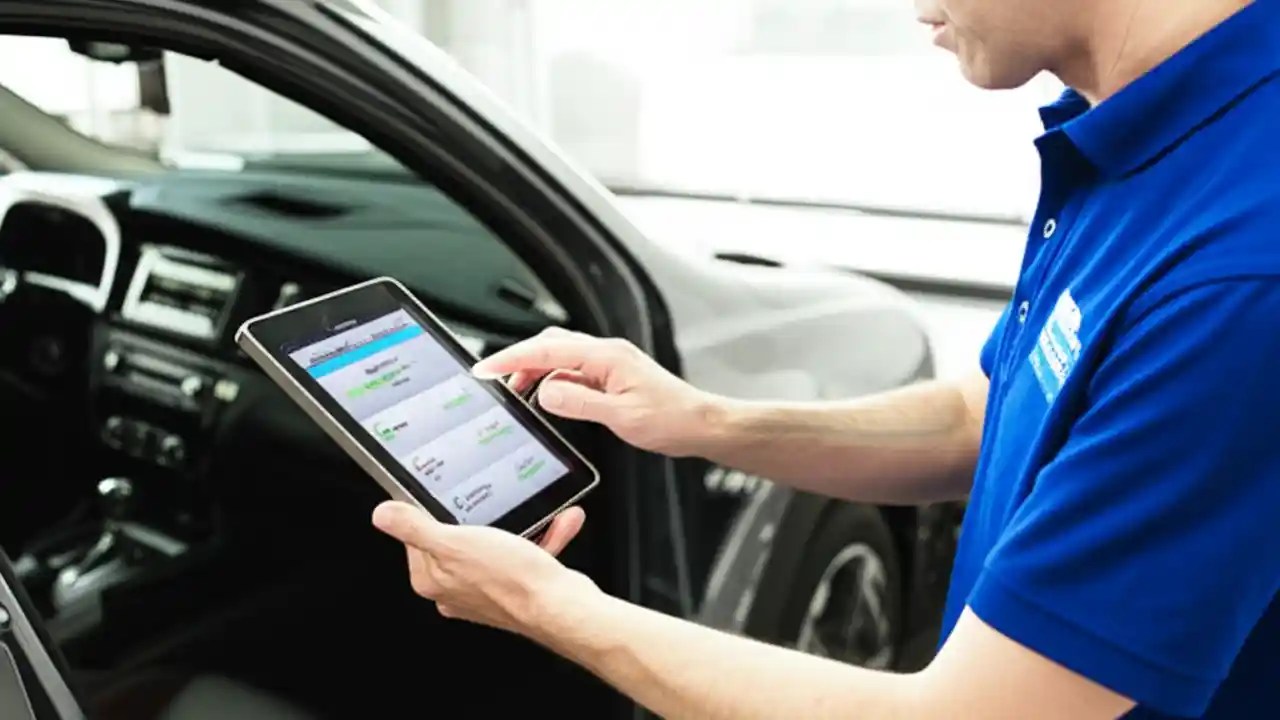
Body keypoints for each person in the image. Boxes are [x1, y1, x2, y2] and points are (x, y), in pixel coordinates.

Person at [370, 0, 1280, 717]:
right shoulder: (1146, 133)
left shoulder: (1238, 272)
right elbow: (988, 412)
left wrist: (544, 606)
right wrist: (705, 421)